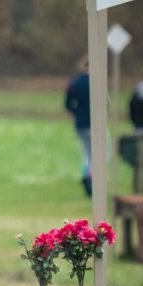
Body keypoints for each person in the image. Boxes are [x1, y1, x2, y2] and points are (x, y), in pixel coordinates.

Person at [64, 56, 92, 197]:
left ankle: (86, 176)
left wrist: (77, 113)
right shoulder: (96, 82)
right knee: (103, 154)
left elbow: (68, 104)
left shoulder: (74, 83)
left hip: (80, 123)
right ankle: (91, 178)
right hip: (94, 124)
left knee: (86, 154)